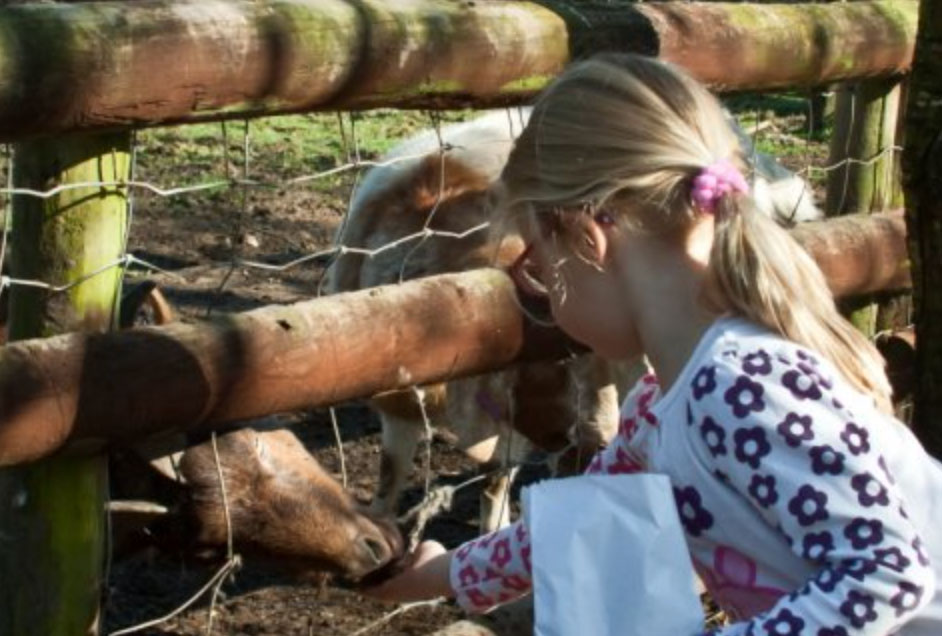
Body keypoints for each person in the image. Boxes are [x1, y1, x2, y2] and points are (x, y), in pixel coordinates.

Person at [363, 53, 942, 635]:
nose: (540, 293)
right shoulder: (665, 400)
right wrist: (443, 574)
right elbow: (575, 524)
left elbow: (885, 573)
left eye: (537, 265)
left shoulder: (741, 389)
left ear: (588, 241)